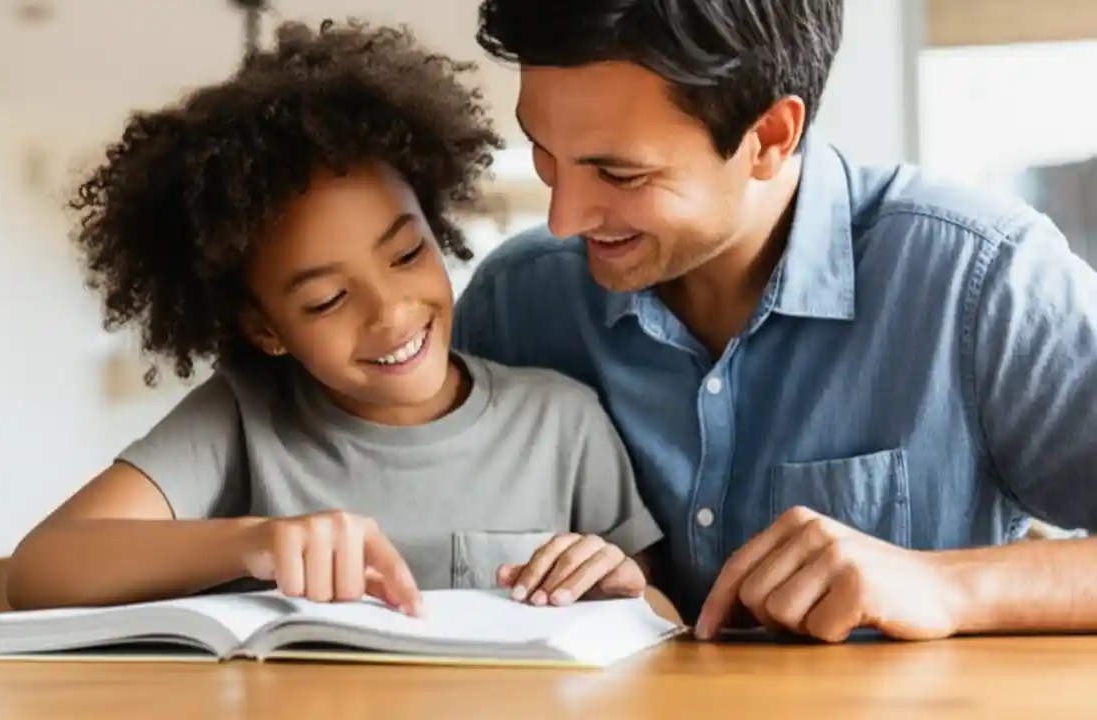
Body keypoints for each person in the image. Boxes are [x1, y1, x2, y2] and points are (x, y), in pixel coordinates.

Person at [454, 0, 1097, 642]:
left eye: (620, 173)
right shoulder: (514, 305)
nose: (564, 218)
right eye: (543, 152)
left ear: (769, 137)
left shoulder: (979, 276)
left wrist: (946, 586)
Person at [6, 20, 663, 615]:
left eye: (407, 254)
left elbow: (656, 615)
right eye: (326, 301)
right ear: (264, 327)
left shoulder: (563, 422)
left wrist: (617, 585)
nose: (391, 311)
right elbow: (43, 569)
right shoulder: (241, 418)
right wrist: (252, 542)